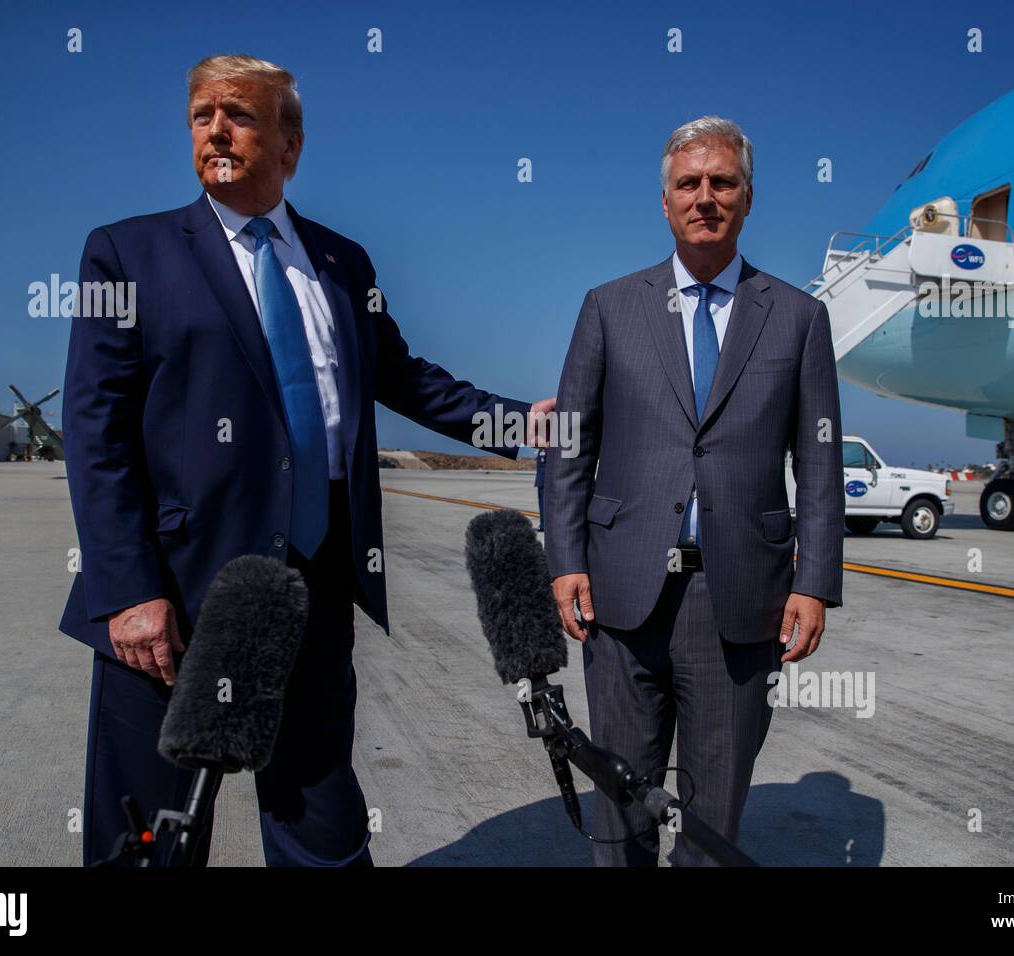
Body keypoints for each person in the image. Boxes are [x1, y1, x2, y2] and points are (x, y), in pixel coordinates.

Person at [59, 54, 554, 866]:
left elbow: (403, 375)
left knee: (322, 820)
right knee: (149, 835)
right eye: (201, 114)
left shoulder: (341, 261)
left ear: (290, 143)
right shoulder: (124, 255)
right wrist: (128, 589)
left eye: (240, 115)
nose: (216, 128)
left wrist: (519, 425)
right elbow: (94, 432)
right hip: (177, 594)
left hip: (316, 586)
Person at [545, 116, 843, 866]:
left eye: (722, 183)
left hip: (740, 601)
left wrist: (815, 582)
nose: (705, 197)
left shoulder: (801, 319)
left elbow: (819, 462)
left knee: (714, 820)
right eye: (689, 184)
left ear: (748, 198)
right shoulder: (609, 307)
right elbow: (569, 448)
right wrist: (565, 561)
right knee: (619, 806)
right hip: (620, 595)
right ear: (667, 201)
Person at [534, 447, 547, 532]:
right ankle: (543, 525)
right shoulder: (541, 450)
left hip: (544, 482)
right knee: (542, 505)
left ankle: (544, 525)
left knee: (544, 505)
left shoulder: (547, 451)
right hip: (541, 481)